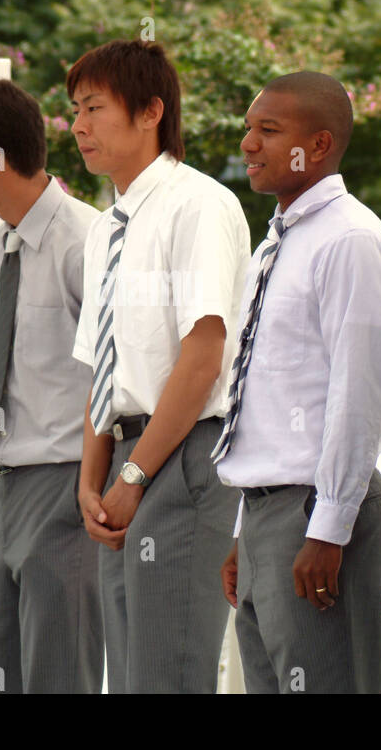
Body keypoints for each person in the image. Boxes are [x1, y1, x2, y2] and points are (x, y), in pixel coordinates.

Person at [68, 39, 251, 693]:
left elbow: (202, 358)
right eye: (74, 110)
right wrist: (91, 485)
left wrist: (135, 473)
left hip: (184, 455)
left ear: (150, 111)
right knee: (135, 676)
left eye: (93, 107)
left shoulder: (197, 204)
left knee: (168, 673)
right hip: (127, 460)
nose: (78, 126)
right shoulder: (105, 227)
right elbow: (101, 368)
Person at [214, 72, 381, 693]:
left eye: (269, 130)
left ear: (318, 146)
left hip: (315, 511)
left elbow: (361, 397)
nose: (248, 143)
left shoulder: (349, 240)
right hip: (271, 512)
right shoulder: (277, 241)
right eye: (249, 128)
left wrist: (328, 528)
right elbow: (265, 399)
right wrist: (247, 529)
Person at [0, 79, 103, 693]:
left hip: (66, 485)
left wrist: (94, 484)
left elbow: (116, 380)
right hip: (7, 492)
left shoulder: (86, 242)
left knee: (60, 679)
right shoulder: (0, 245)